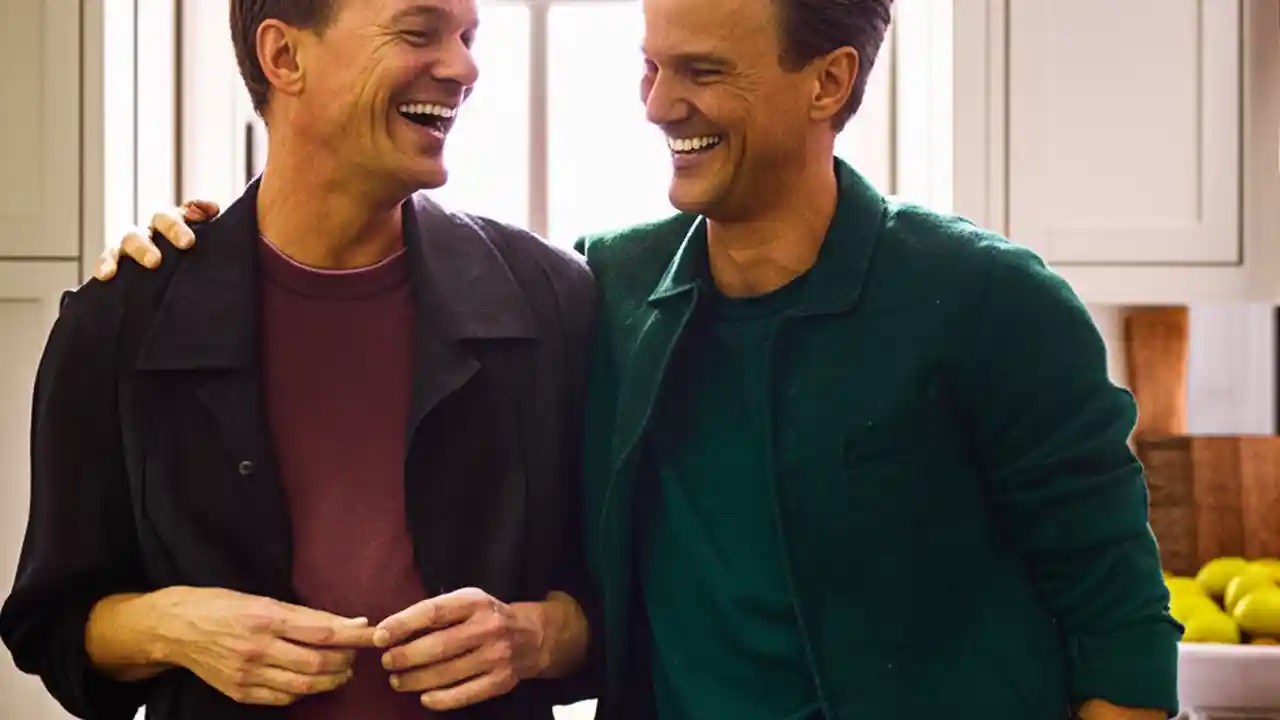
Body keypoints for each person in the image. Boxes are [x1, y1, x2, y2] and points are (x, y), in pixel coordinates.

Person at [100, 0, 1184, 718]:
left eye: (701, 72)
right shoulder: (598, 293)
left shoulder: (990, 301)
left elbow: (1120, 628)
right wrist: (205, 247)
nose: (660, 105)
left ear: (827, 80)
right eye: (651, 67)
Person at [0, 1, 596, 719]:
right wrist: (175, 625)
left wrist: (536, 638)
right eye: (419, 32)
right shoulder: (121, 317)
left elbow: (625, 601)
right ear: (284, 58)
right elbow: (53, 622)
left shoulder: (553, 299)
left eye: (468, 38)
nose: (464, 67)